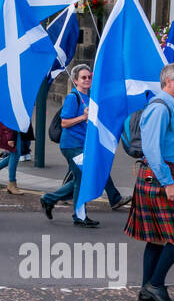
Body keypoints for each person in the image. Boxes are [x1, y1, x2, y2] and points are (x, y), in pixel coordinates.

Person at [126, 63, 174, 301]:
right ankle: (156, 285)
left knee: (157, 238)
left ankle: (146, 291)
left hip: (163, 175)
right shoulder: (159, 108)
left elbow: (170, 142)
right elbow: (152, 149)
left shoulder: (173, 106)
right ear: (170, 82)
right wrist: (169, 183)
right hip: (159, 177)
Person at [41, 64, 128, 225]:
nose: (87, 80)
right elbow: (65, 123)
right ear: (75, 80)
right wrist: (83, 117)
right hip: (71, 145)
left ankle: (49, 199)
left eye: (89, 77)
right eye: (83, 77)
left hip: (84, 145)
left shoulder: (89, 97)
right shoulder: (72, 97)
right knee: (83, 178)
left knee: (79, 179)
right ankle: (79, 216)